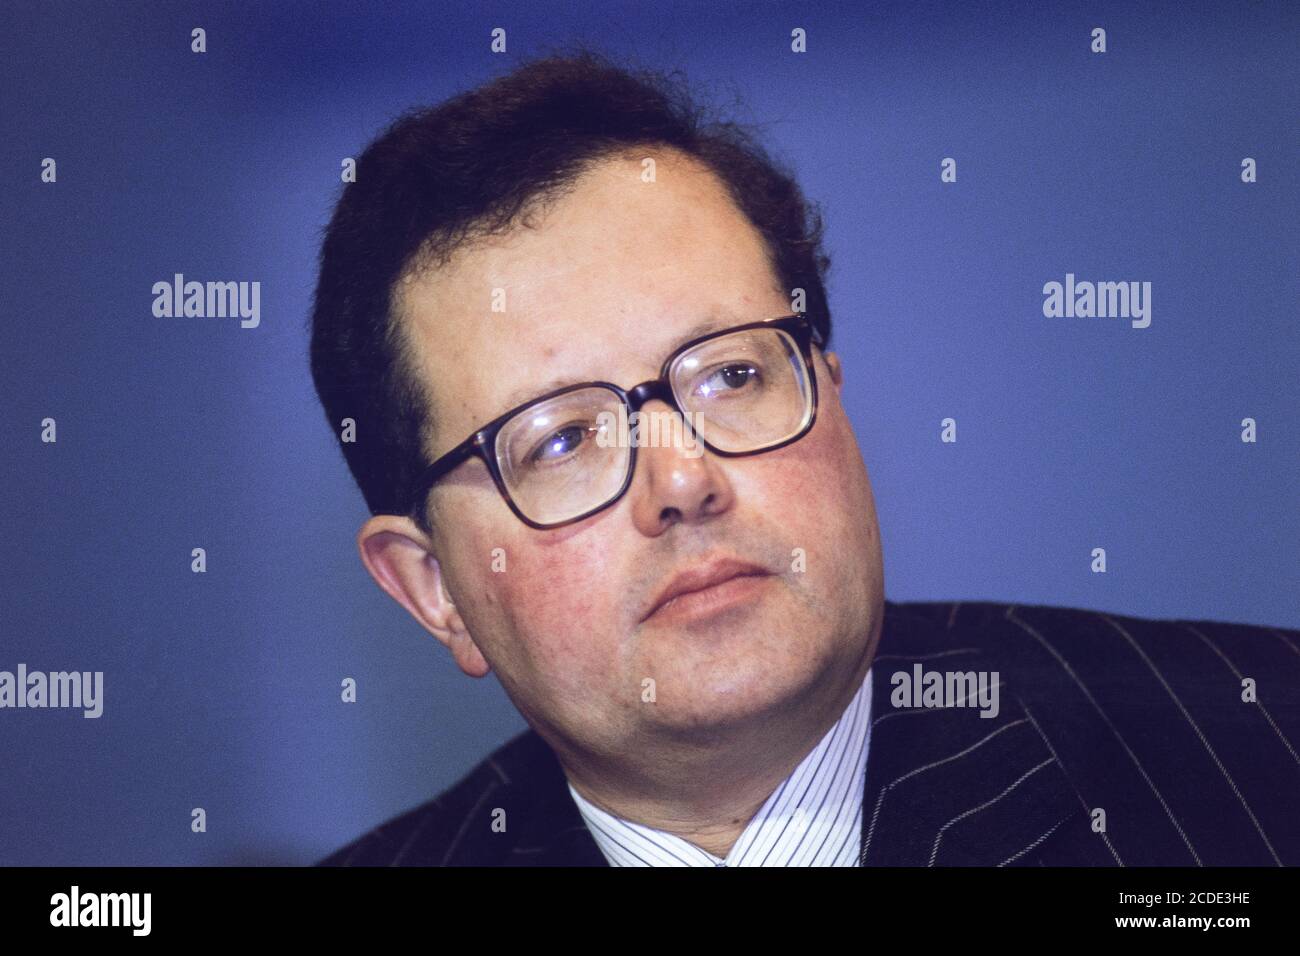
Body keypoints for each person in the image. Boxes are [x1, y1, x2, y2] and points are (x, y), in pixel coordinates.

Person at [308, 49, 1300, 866]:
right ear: (433, 585)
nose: (684, 480)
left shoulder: (1259, 749)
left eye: (730, 376)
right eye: (564, 438)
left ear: (828, 384)